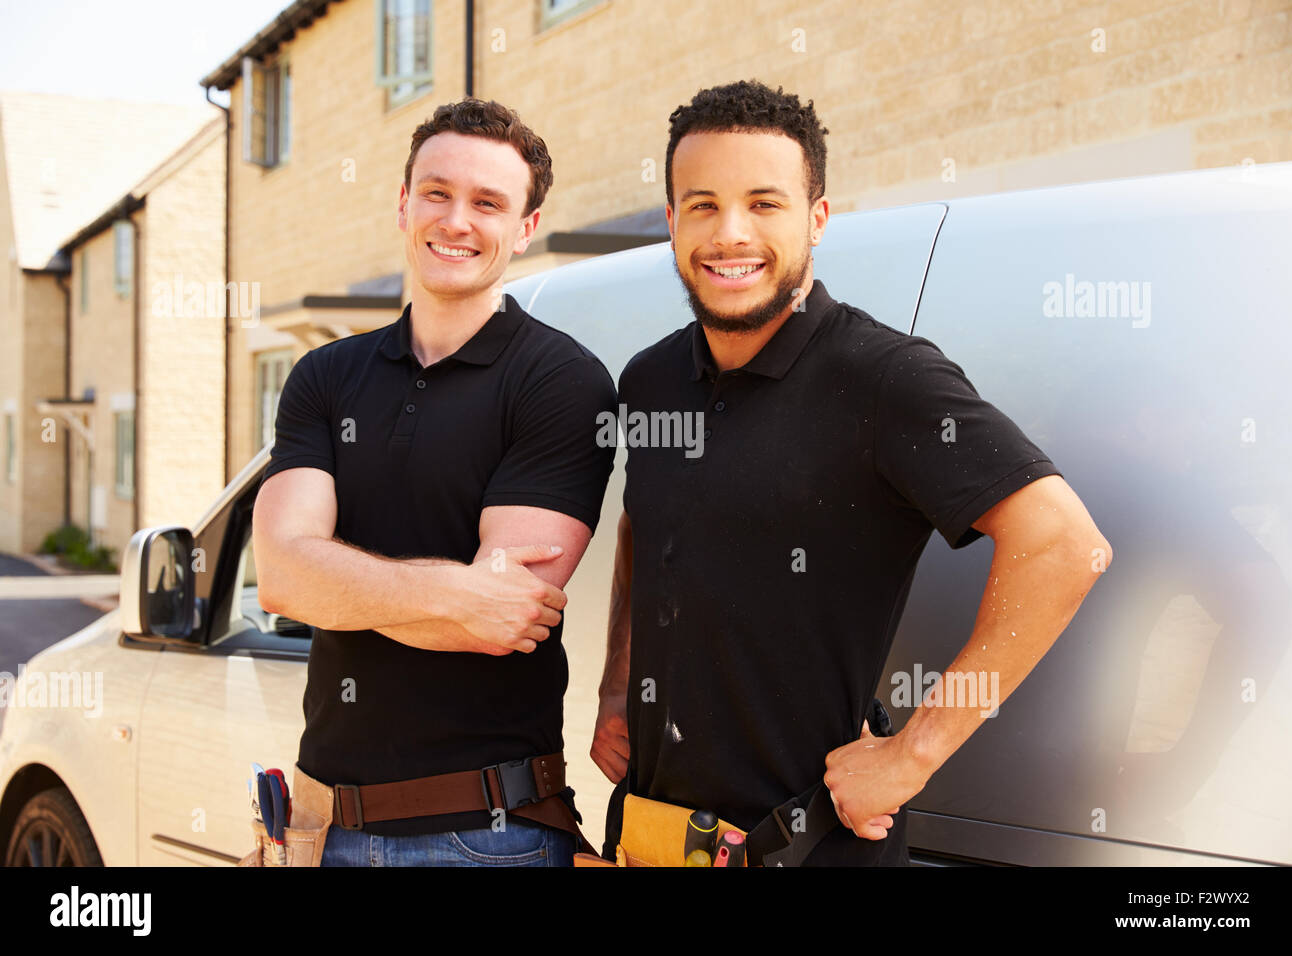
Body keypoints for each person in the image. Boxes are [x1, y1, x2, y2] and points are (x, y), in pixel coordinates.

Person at [590, 80, 1113, 865]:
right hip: (652, 835)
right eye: (702, 205)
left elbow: (1067, 546)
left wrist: (913, 754)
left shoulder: (885, 379)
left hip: (810, 844)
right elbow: (644, 526)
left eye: (764, 203)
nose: (730, 233)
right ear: (671, 223)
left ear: (818, 218)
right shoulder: (652, 378)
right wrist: (614, 686)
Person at [253, 98, 616, 867]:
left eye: (488, 203)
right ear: (403, 203)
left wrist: (339, 579)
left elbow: (498, 621)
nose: (456, 220)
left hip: (486, 833)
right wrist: (455, 588)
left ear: (525, 228)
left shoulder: (561, 381)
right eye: (437, 192)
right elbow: (281, 578)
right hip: (324, 831)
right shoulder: (325, 376)